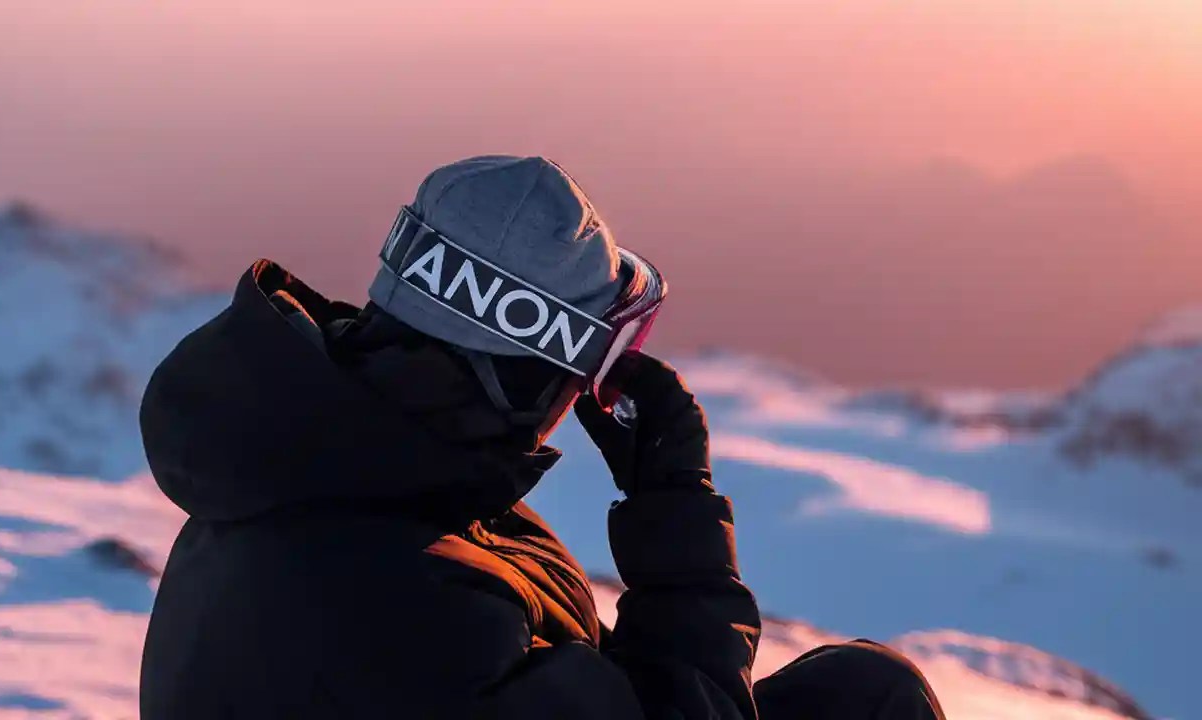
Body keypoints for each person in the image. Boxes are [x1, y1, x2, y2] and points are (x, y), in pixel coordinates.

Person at [138, 155, 945, 719]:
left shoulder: (335, 468)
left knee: (862, 694)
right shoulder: (417, 597)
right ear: (533, 375)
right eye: (602, 356)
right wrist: (675, 515)